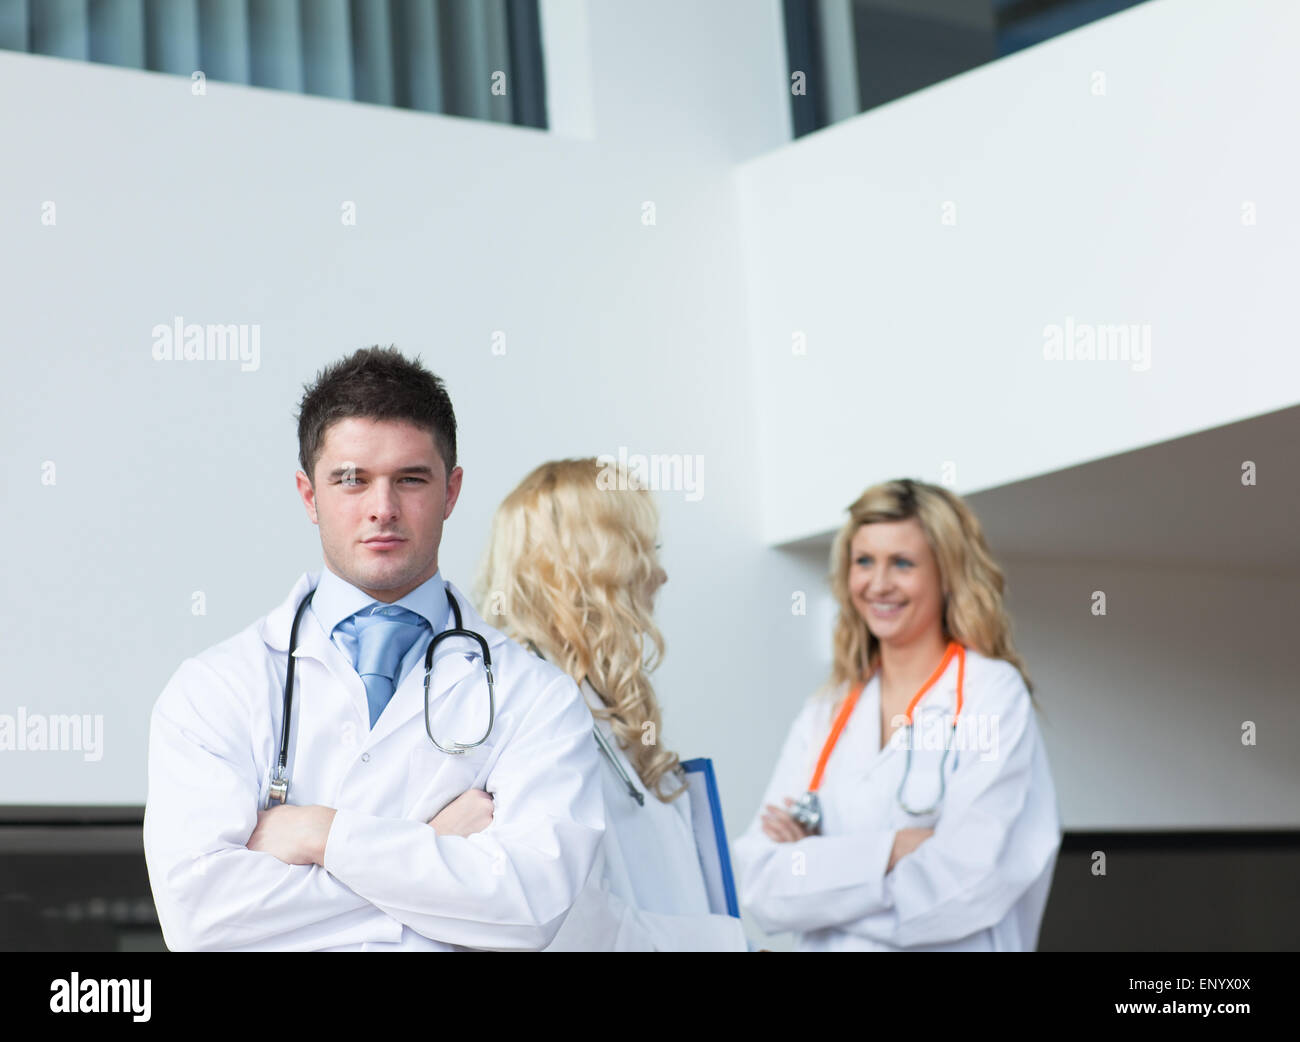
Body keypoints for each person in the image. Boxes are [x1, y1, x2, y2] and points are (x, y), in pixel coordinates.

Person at [142, 347, 604, 951]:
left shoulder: (535, 696)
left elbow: (527, 908)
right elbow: (201, 921)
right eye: (351, 479)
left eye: (410, 479)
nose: (382, 509)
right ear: (309, 496)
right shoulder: (215, 689)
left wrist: (317, 835)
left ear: (452, 491)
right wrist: (431, 842)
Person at [733, 478, 1061, 951]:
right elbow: (761, 884)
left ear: (946, 575)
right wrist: (891, 849)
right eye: (864, 561)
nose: (878, 584)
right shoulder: (826, 712)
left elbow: (966, 883)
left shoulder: (992, 695)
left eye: (902, 564)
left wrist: (818, 877)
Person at [475, 458, 749, 951]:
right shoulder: (518, 704)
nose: (660, 574)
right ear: (593, 565)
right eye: (645, 551)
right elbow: (566, 922)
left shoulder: (592, 700)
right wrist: (730, 944)